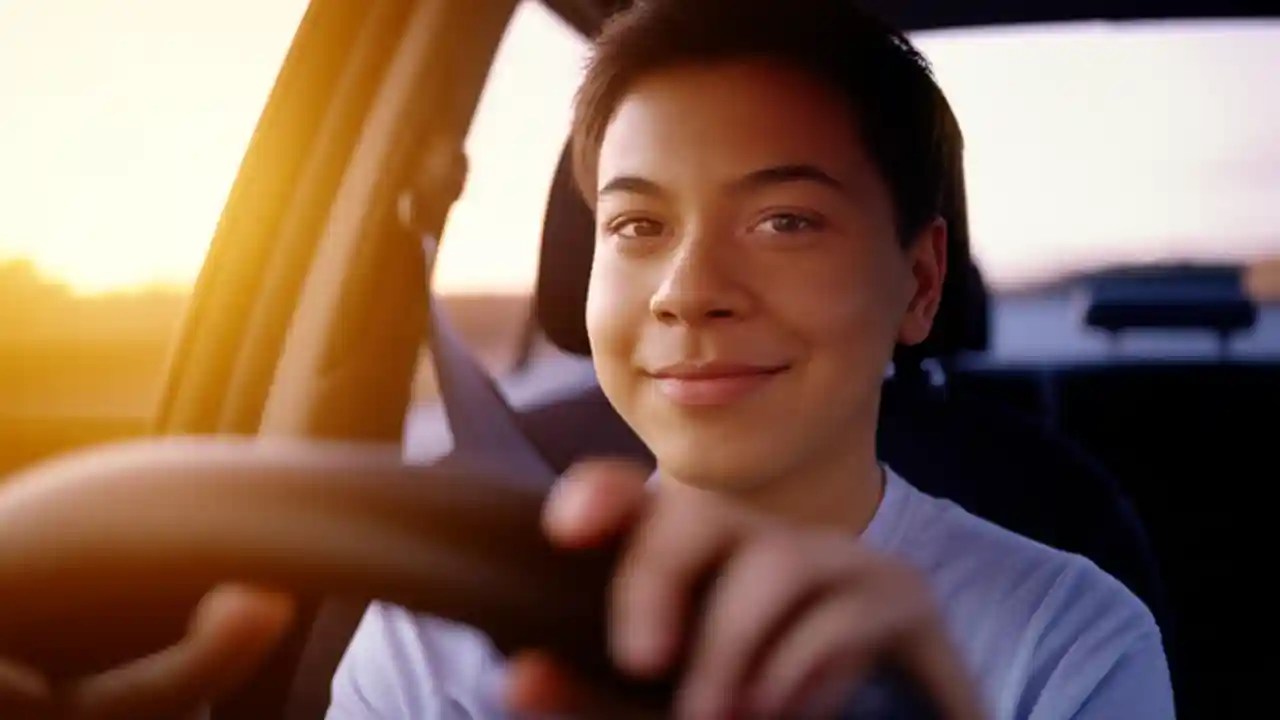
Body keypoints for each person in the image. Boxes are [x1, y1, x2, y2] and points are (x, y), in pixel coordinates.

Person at [0, 1, 1172, 718]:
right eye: (635, 225)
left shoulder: (1065, 636)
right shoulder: (436, 623)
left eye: (784, 221)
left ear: (918, 282)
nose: (686, 291)